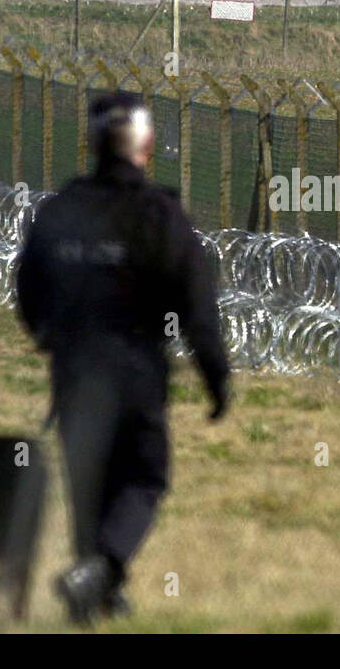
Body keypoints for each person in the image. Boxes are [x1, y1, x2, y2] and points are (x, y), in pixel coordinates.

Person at [15, 91, 230, 624]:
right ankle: (103, 571)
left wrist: (49, 335)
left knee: (87, 480)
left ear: (92, 143)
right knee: (143, 477)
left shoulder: (63, 209)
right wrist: (216, 376)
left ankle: (95, 587)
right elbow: (197, 305)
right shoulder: (160, 216)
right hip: (136, 369)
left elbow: (29, 286)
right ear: (148, 144)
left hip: (75, 369)